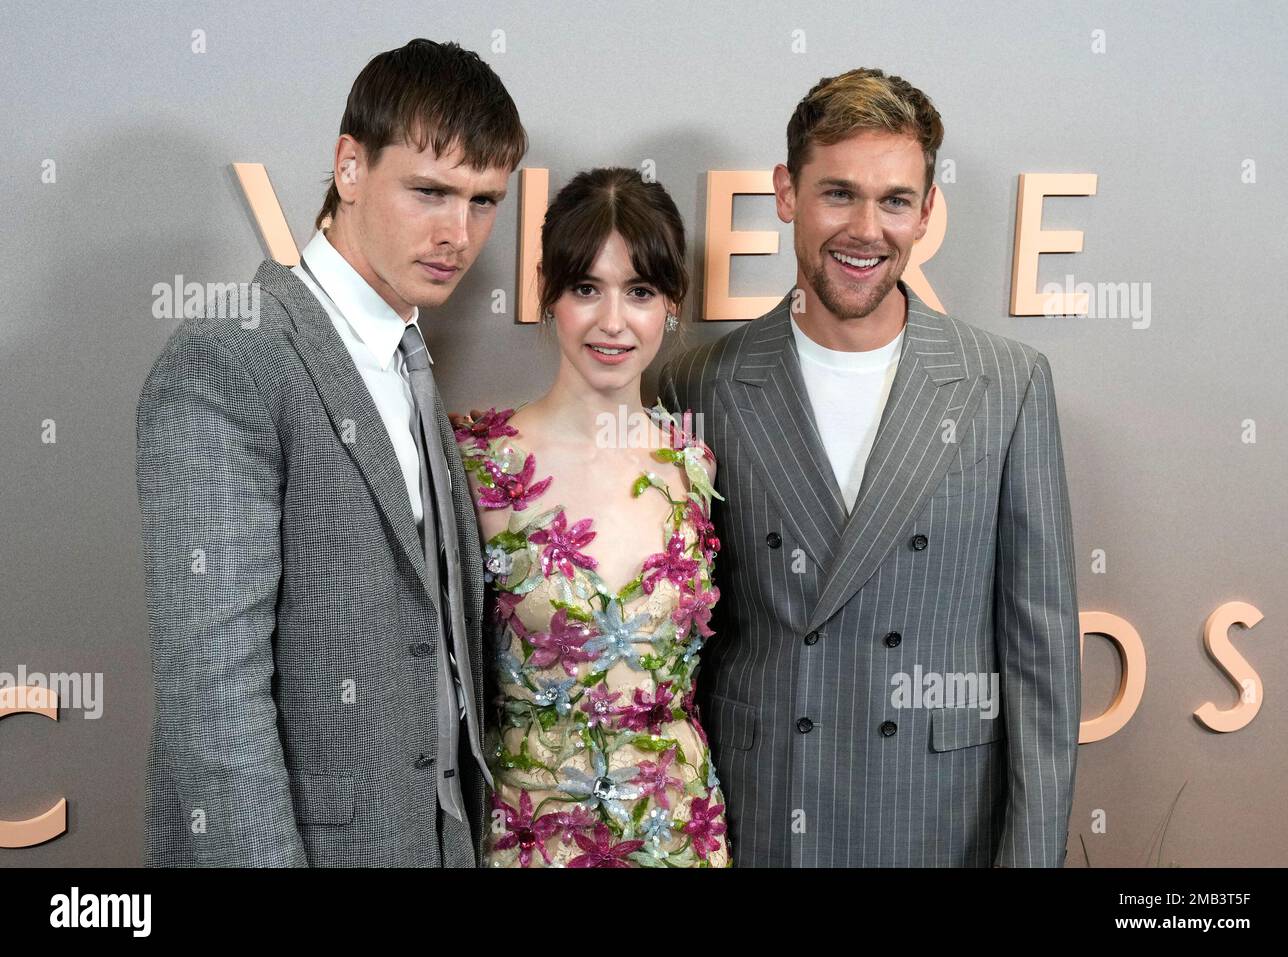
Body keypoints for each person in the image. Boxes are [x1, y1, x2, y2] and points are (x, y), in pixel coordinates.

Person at [658, 68, 1081, 867]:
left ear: (926, 212)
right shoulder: (700, 383)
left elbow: (1042, 666)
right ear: (787, 192)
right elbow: (685, 640)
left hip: (936, 817)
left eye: (893, 201)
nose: (866, 228)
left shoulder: (1007, 383)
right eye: (838, 193)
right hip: (763, 807)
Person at [135, 39, 526, 866]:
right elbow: (213, 699)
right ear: (349, 166)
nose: (459, 233)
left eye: (484, 201)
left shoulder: (408, 358)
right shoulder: (233, 357)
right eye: (430, 191)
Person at [454, 167, 731, 867]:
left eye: (639, 291)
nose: (613, 321)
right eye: (586, 289)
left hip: (678, 835)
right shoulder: (480, 462)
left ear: (672, 302)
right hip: (528, 838)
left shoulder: (694, 465)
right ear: (548, 292)